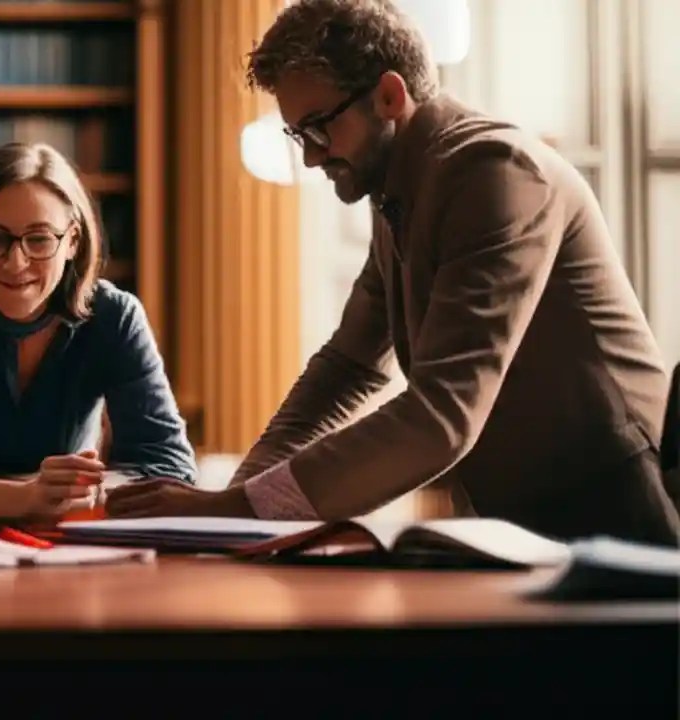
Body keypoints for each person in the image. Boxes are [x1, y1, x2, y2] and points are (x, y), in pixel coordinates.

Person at [106, 0, 679, 544]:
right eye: (298, 136)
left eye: (317, 128)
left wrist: (235, 510)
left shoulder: (494, 171)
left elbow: (440, 416)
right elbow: (346, 368)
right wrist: (233, 506)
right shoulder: (402, 189)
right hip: (530, 512)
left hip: (618, 504)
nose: (310, 156)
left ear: (387, 95)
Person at [0, 142, 196, 521]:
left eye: (40, 239)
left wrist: (74, 492)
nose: (16, 263)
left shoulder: (115, 316)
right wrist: (27, 498)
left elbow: (170, 469)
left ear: (73, 242)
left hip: (73, 543)